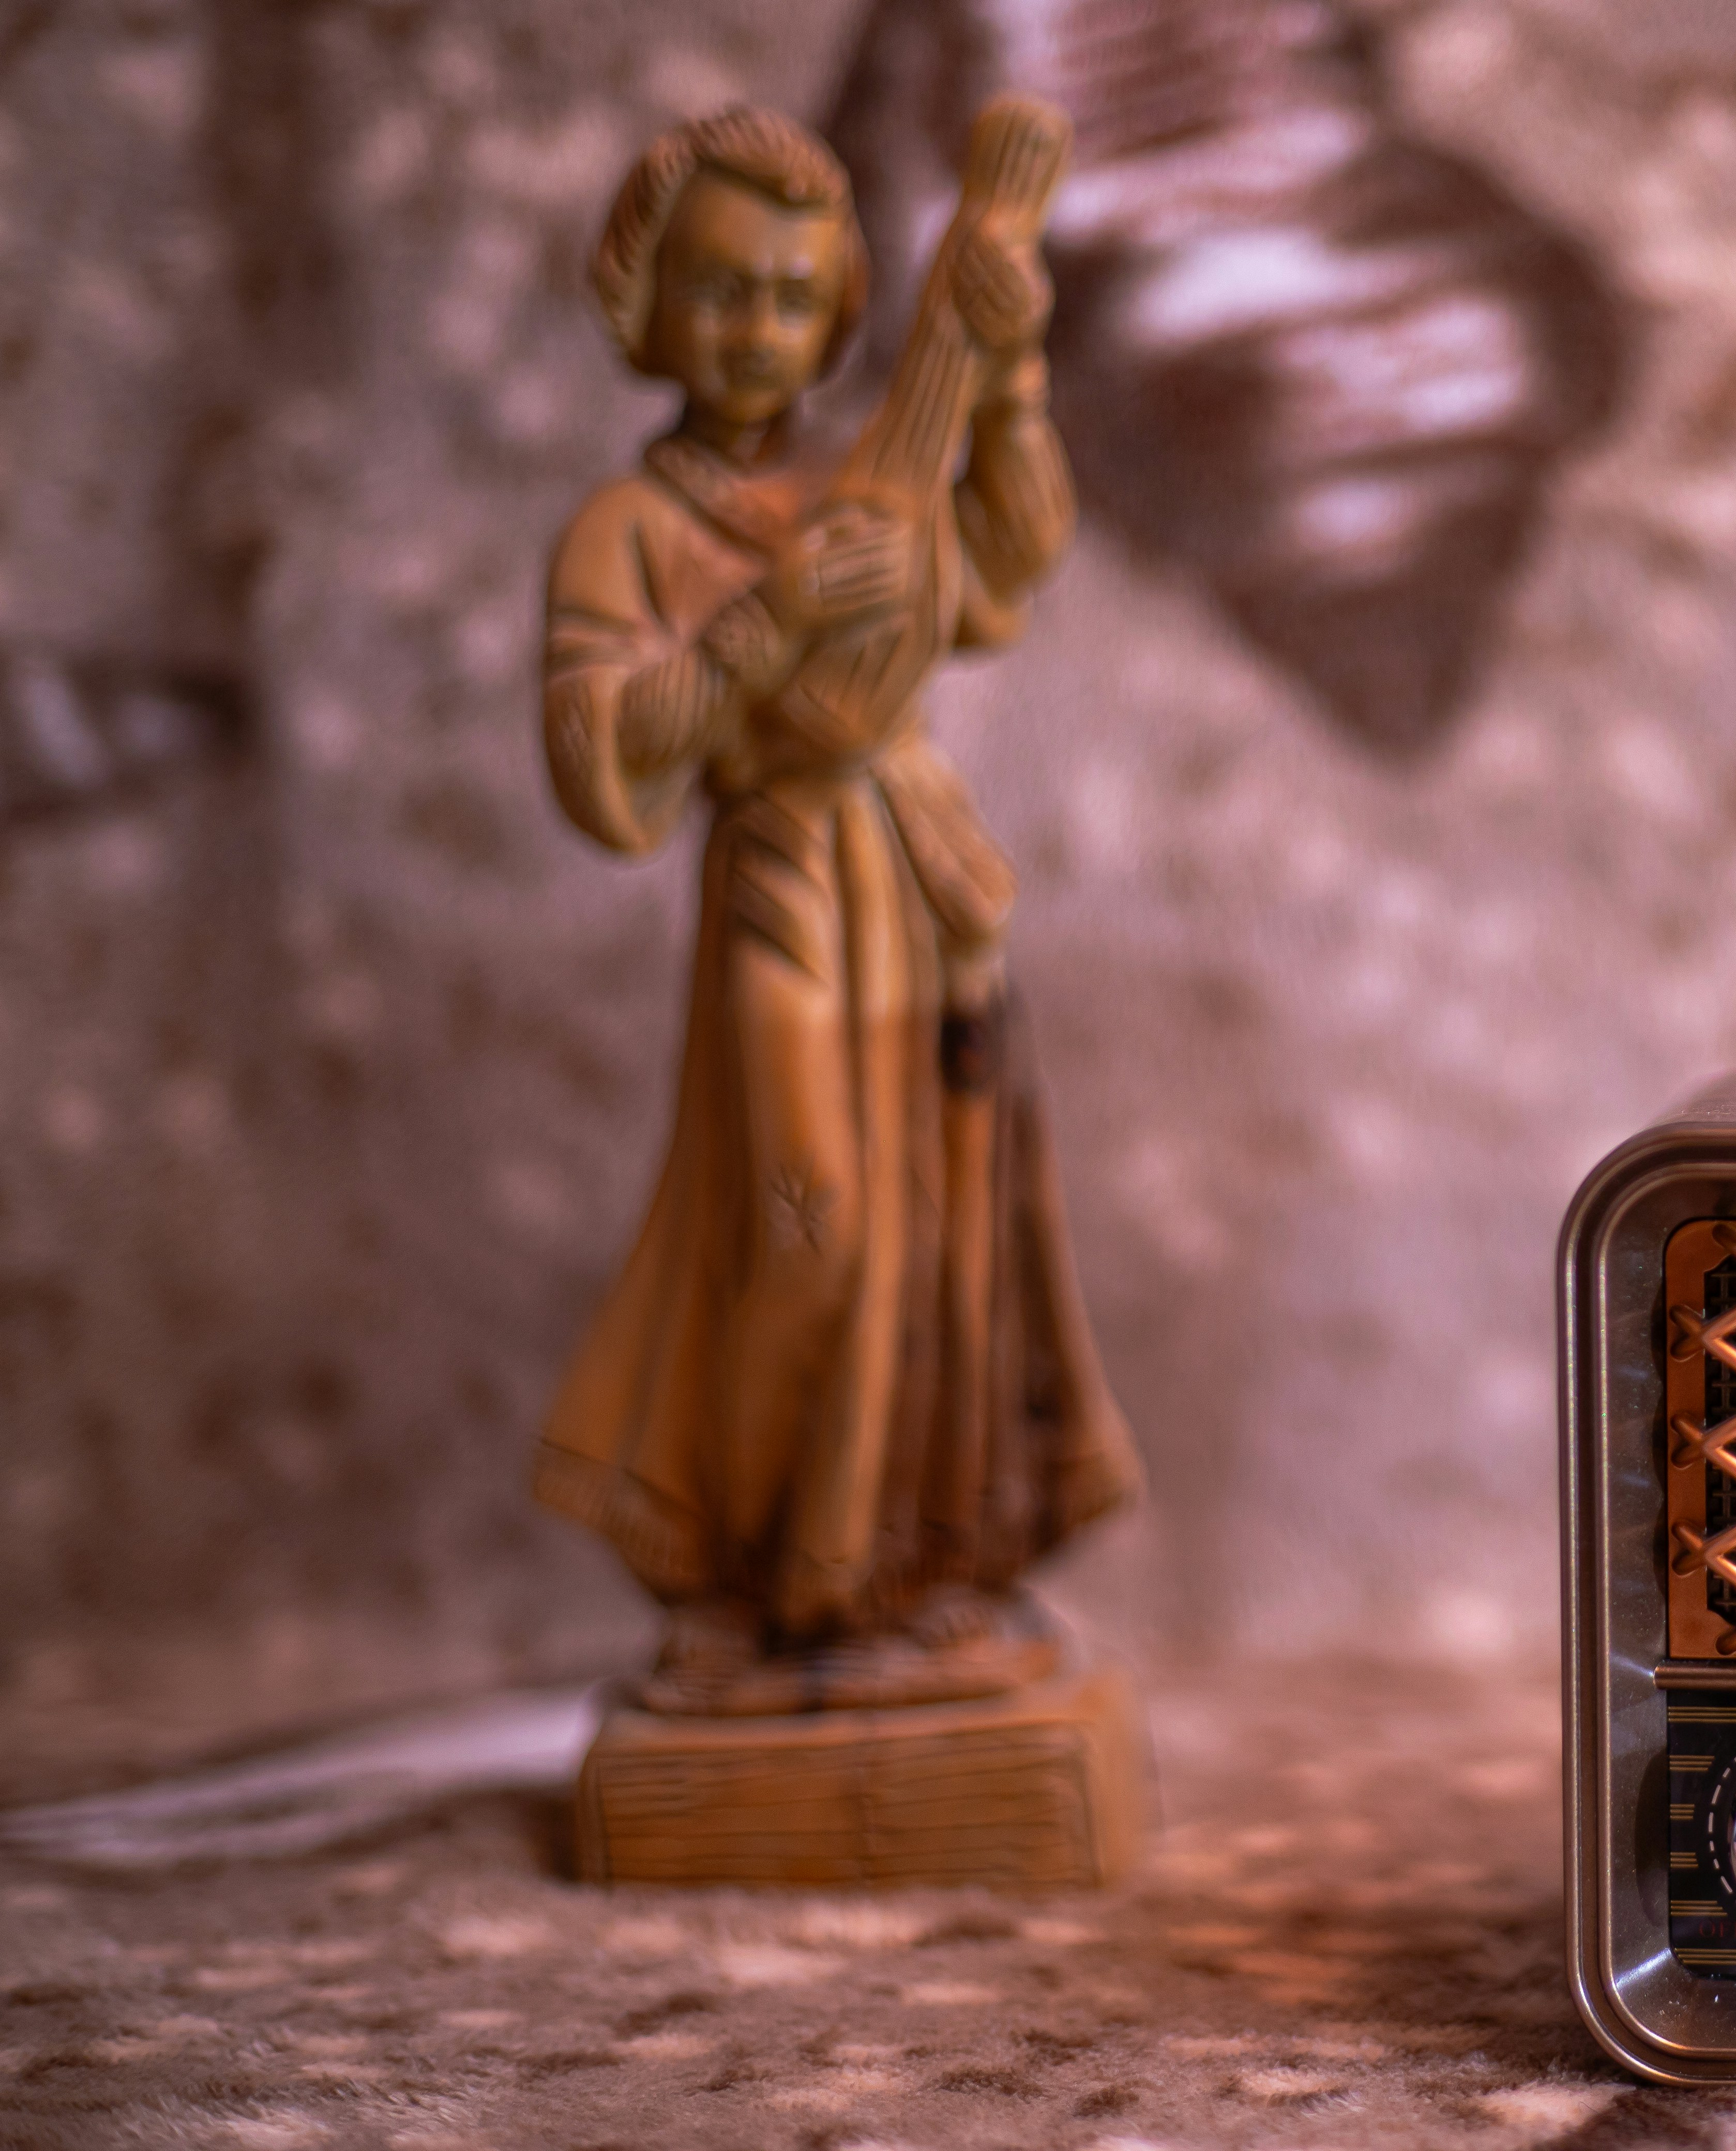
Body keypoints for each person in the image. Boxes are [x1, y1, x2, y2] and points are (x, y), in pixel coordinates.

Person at [533, 105, 1138, 1715]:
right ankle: (754, 1574)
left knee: (943, 1238)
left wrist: (1004, 381)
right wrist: (758, 631)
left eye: (795, 298)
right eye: (720, 290)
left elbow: (1007, 565)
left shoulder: (861, 489)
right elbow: (603, 754)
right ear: (641, 301)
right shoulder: (632, 530)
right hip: (785, 888)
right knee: (811, 1231)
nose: (759, 331)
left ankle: (901, 1575)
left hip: (920, 889)